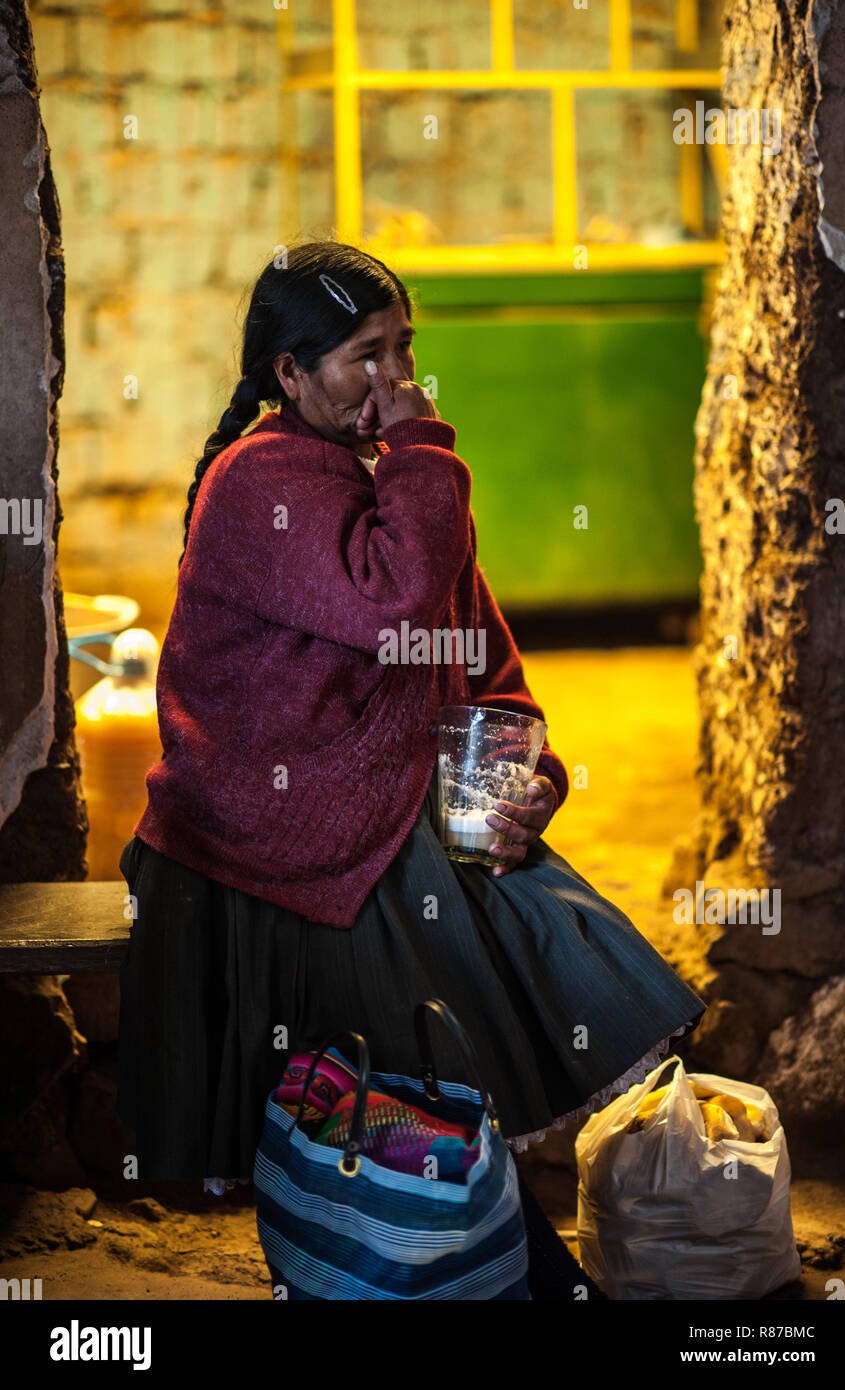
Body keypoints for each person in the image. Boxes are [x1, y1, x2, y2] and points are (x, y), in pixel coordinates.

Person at [116, 239, 706, 1301]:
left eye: (403, 351)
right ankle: (474, 1254)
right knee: (420, 1019)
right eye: (362, 358)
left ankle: (481, 1240)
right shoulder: (261, 485)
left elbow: (483, 658)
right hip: (274, 840)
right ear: (289, 376)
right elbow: (392, 613)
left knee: (556, 926)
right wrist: (424, 449)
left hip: (397, 809)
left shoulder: (397, 477)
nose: (394, 382)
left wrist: (530, 769)